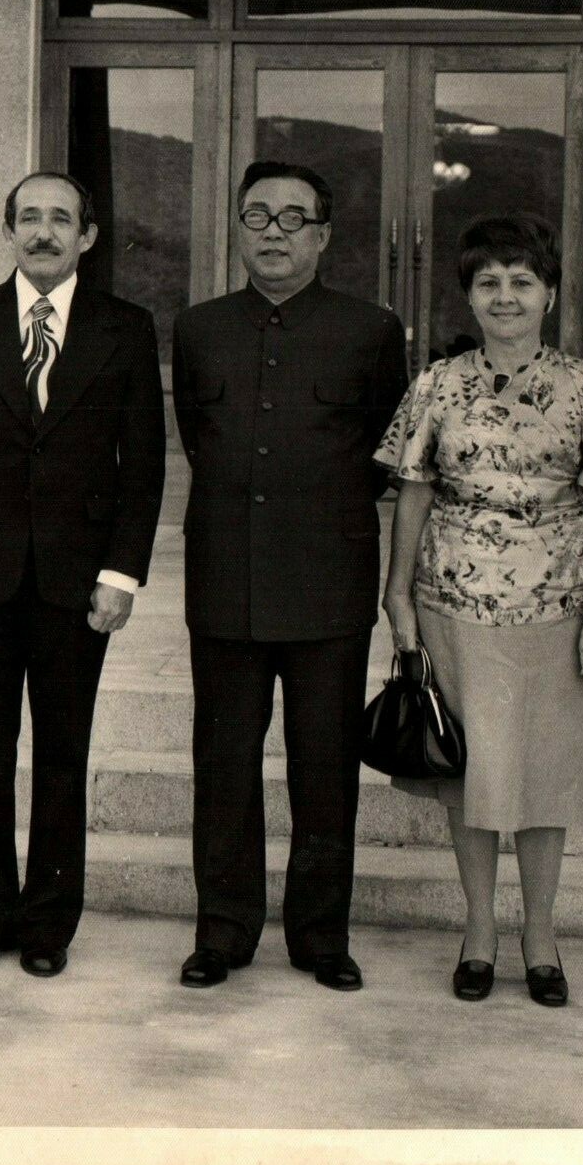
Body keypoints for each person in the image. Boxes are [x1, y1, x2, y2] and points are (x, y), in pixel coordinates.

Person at [377, 214, 583, 1005]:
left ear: (549, 295)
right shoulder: (436, 384)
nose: (505, 296)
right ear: (468, 297)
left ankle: (539, 933)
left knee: (542, 778)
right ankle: (478, 930)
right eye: (488, 283)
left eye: (521, 282)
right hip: (452, 605)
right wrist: (396, 596)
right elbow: (412, 493)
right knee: (469, 776)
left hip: (555, 610)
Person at [0, 171, 166, 979]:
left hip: (76, 582)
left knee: (61, 754)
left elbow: (143, 465)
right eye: (28, 217)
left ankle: (49, 925)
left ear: (87, 235)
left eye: (60, 218)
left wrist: (121, 573)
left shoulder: (125, 328)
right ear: (7, 229)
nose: (43, 232)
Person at [171, 161, 408, 993]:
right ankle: (222, 932)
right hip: (224, 580)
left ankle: (320, 937)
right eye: (257, 216)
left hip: (326, 581)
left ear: (323, 235)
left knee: (325, 766)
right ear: (237, 228)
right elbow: (199, 438)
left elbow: (382, 451)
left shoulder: (370, 330)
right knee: (223, 764)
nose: (273, 232)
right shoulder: (199, 328)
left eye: (291, 218)